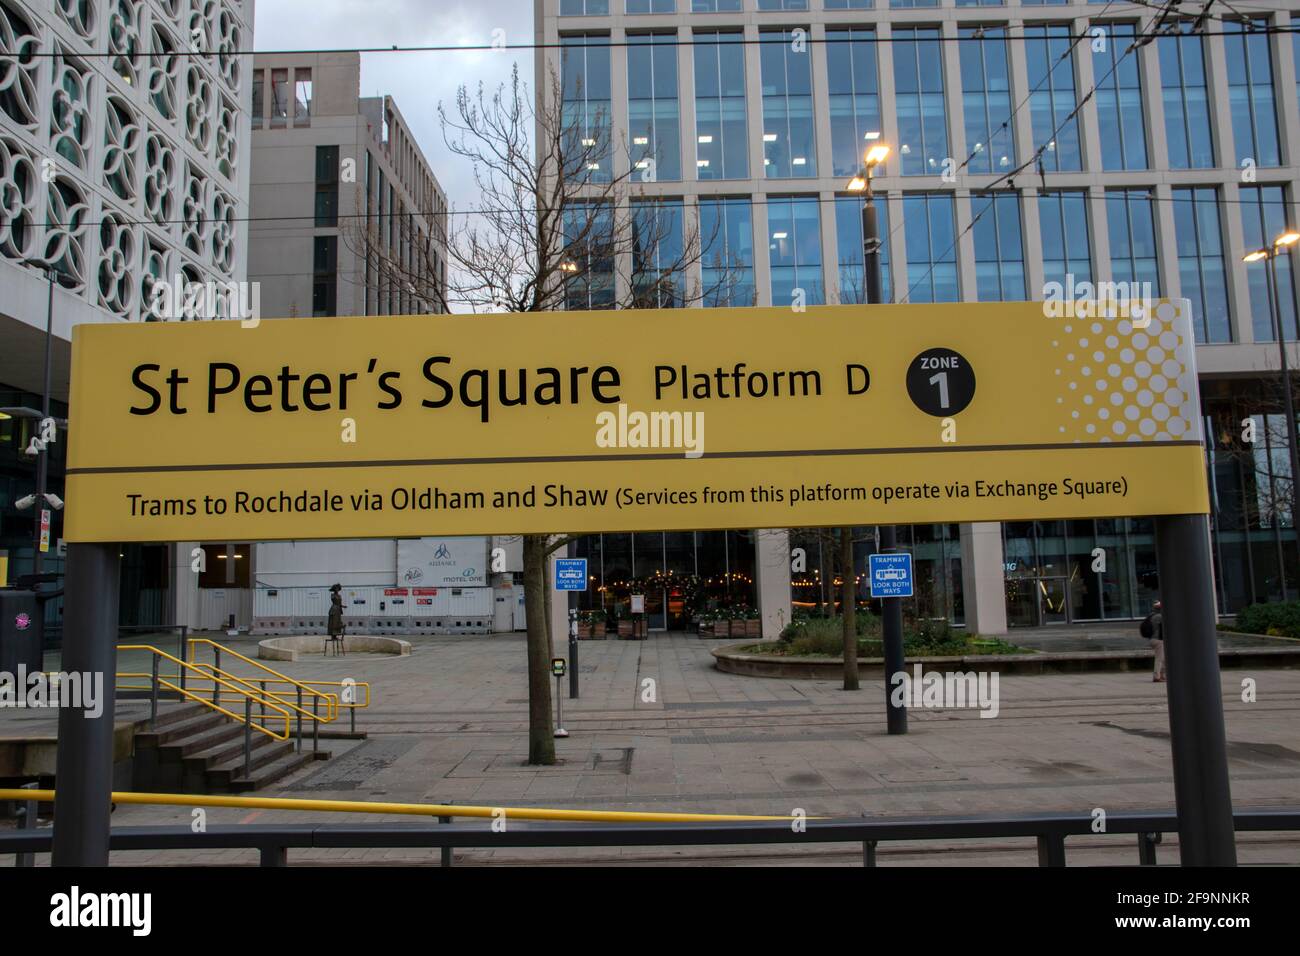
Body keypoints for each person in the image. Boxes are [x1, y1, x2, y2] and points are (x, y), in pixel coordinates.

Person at [1139, 600, 1165, 682]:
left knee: (1163, 658)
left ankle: (1161, 675)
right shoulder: (1159, 616)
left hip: (1152, 639)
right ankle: (1157, 676)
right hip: (1158, 640)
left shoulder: (1151, 615)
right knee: (1159, 659)